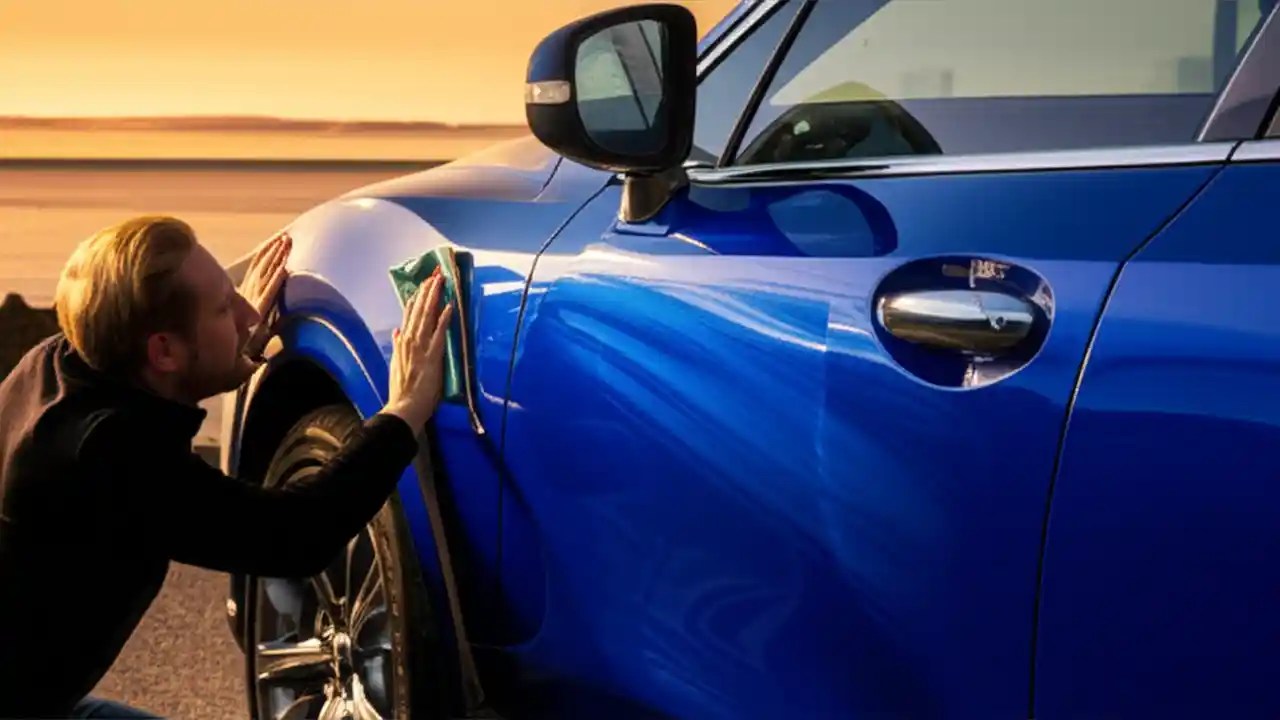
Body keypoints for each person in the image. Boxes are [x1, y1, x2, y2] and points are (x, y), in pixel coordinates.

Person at [0, 215, 453, 718]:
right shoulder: (104, 454)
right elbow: (297, 535)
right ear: (164, 350)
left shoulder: (57, 362)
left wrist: (226, 348)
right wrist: (403, 410)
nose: (246, 311)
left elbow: (148, 419)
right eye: (222, 308)